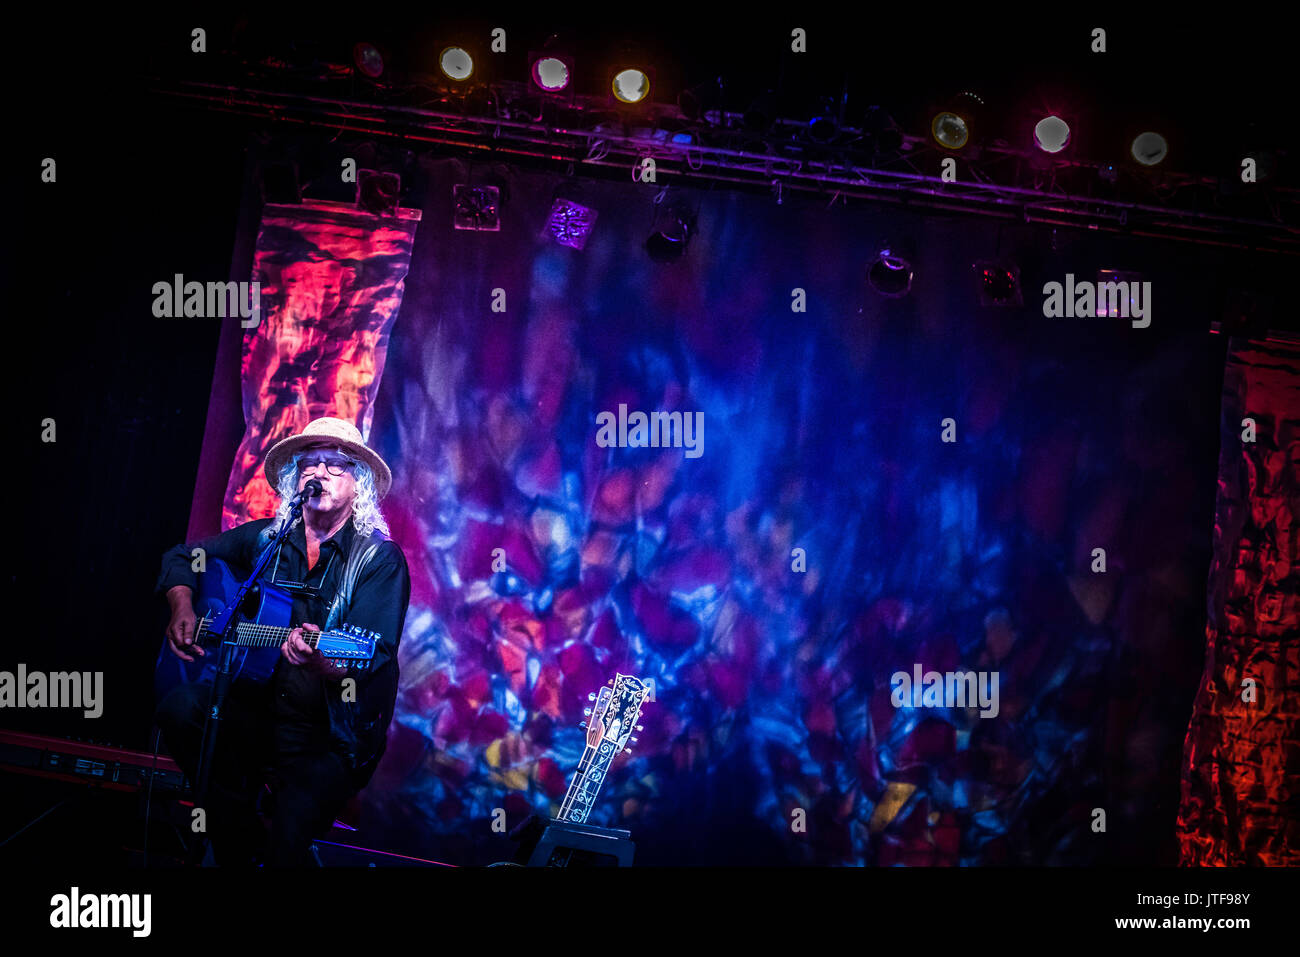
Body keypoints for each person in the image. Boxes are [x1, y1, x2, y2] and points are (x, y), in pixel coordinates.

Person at [154, 416, 410, 866]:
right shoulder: (268, 540)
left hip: (329, 737)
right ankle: (239, 840)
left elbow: (370, 657)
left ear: (359, 485)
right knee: (180, 709)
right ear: (296, 479)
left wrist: (320, 660)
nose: (320, 473)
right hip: (261, 712)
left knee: (285, 851)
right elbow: (184, 555)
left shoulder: (378, 559)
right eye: (310, 464)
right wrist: (183, 607)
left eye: (336, 465)